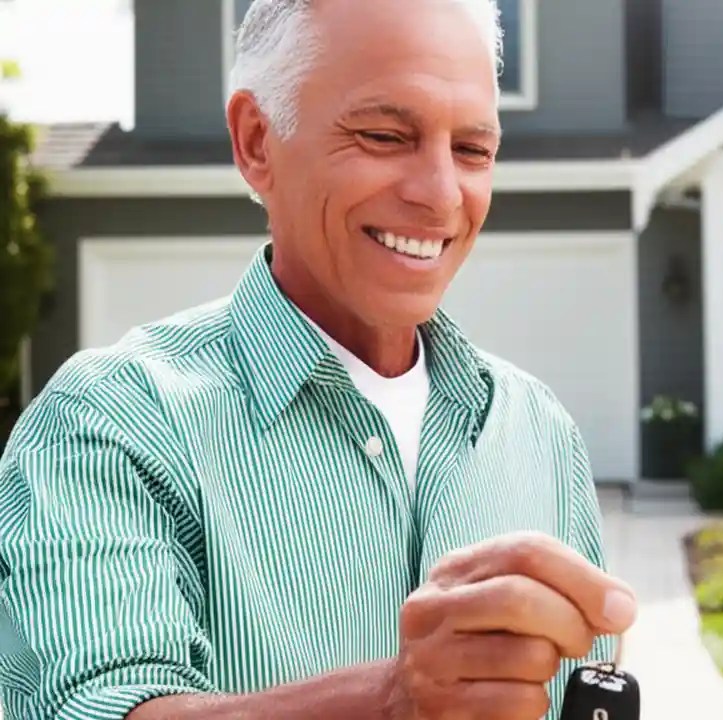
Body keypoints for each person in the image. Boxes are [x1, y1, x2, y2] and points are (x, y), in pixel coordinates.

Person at [0, 1, 636, 719]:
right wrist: (392, 700)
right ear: (256, 141)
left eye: (472, 150)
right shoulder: (110, 424)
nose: (440, 195)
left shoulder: (539, 432)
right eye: (384, 136)